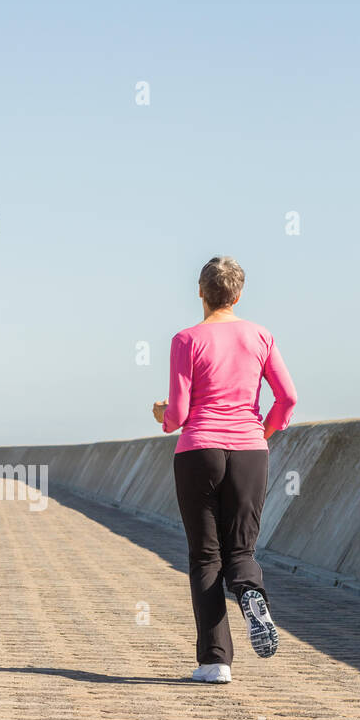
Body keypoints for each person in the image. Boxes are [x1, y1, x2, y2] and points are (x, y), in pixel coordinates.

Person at [152, 256, 297, 684]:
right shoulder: (261, 336)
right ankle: (251, 592)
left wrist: (160, 413)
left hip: (199, 451)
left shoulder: (186, 339)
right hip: (251, 450)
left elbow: (178, 413)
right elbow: (287, 398)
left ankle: (215, 662)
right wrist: (262, 434)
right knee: (241, 551)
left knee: (205, 556)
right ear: (238, 294)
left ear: (200, 292)